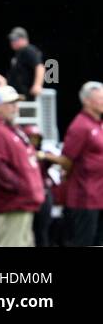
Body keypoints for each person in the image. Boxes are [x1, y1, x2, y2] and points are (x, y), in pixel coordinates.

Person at [0, 84, 44, 247]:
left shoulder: (12, 129)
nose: (16, 107)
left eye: (17, 103)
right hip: (13, 202)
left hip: (23, 201)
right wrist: (20, 186)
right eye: (11, 103)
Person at [60, 80, 103, 246]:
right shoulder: (80, 125)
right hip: (86, 196)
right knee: (85, 241)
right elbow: (66, 160)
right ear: (87, 101)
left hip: (99, 195)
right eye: (100, 98)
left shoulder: (98, 124)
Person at [6, 27, 44, 100]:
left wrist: (37, 85)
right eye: (11, 40)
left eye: (15, 39)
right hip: (19, 97)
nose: (12, 42)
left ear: (24, 39)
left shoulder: (29, 50)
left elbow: (40, 67)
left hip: (28, 97)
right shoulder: (18, 54)